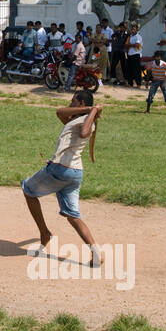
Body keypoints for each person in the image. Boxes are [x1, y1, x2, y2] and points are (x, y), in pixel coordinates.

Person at [20, 90, 105, 267]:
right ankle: (96, 252)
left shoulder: (85, 122)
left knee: (28, 190)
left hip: (61, 170)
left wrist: (92, 112)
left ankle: (44, 233)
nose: (70, 103)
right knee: (72, 215)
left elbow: (83, 133)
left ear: (80, 103)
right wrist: (92, 109)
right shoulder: (75, 119)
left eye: (73, 100)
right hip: (74, 174)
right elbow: (59, 112)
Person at [125, 23, 144, 87]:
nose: (132, 30)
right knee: (129, 70)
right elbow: (126, 45)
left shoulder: (138, 36)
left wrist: (130, 45)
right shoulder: (130, 37)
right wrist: (131, 45)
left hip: (136, 55)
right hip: (130, 55)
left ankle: (138, 83)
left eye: (134, 29)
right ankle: (130, 83)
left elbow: (137, 45)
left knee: (137, 70)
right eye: (132, 29)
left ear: (136, 30)